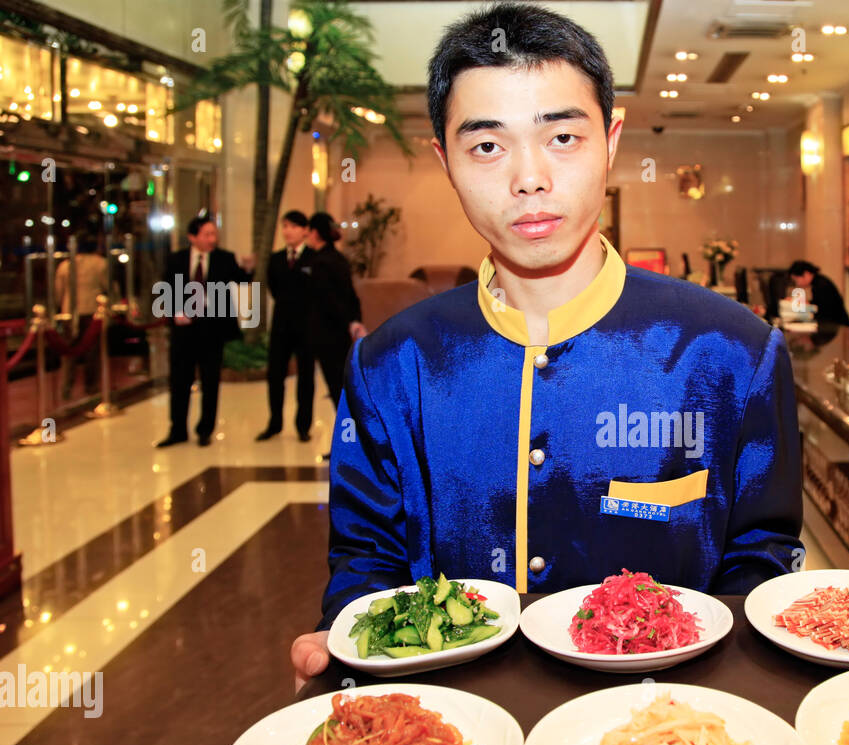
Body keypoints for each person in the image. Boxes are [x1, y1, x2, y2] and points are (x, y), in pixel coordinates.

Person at [291, 1, 803, 683]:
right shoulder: (392, 364)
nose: (528, 178)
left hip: (666, 741)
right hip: (458, 736)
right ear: (445, 160)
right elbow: (366, 560)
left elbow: (760, 560)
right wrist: (347, 653)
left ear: (611, 141)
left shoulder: (733, 354)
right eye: (487, 146)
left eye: (562, 138)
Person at [156, 216, 255, 448]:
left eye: (214, 234)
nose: (212, 238)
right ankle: (177, 429)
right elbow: (165, 289)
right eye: (207, 234)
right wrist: (174, 312)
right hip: (184, 330)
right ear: (193, 237)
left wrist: (249, 268)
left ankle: (205, 429)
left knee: (210, 381)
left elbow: (242, 278)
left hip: (213, 329)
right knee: (180, 381)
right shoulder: (176, 259)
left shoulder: (224, 258)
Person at [257, 211, 317, 442]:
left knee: (305, 376)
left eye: (292, 226)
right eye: (284, 226)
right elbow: (274, 289)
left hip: (306, 326)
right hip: (281, 326)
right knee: (275, 375)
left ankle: (303, 425)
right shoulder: (275, 259)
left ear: (304, 230)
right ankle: (274, 423)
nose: (287, 231)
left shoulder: (314, 258)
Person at [302, 211, 366, 416]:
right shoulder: (338, 258)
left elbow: (329, 301)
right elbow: (351, 295)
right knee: (342, 387)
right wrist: (354, 321)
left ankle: (346, 444)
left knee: (337, 390)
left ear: (315, 233)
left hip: (327, 333)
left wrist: (345, 321)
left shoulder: (319, 263)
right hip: (340, 333)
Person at [53, 231, 109, 400]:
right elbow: (107, 285)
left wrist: (59, 307)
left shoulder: (65, 265)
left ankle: (66, 388)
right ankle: (91, 386)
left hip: (69, 311)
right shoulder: (100, 263)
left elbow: (58, 291)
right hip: (93, 310)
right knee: (92, 351)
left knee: (69, 352)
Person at [788, 260, 849, 327]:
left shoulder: (821, 285)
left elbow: (823, 309)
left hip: (836, 325)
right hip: (833, 323)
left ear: (806, 274)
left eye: (796, 280)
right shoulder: (819, 282)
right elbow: (819, 304)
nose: (797, 284)